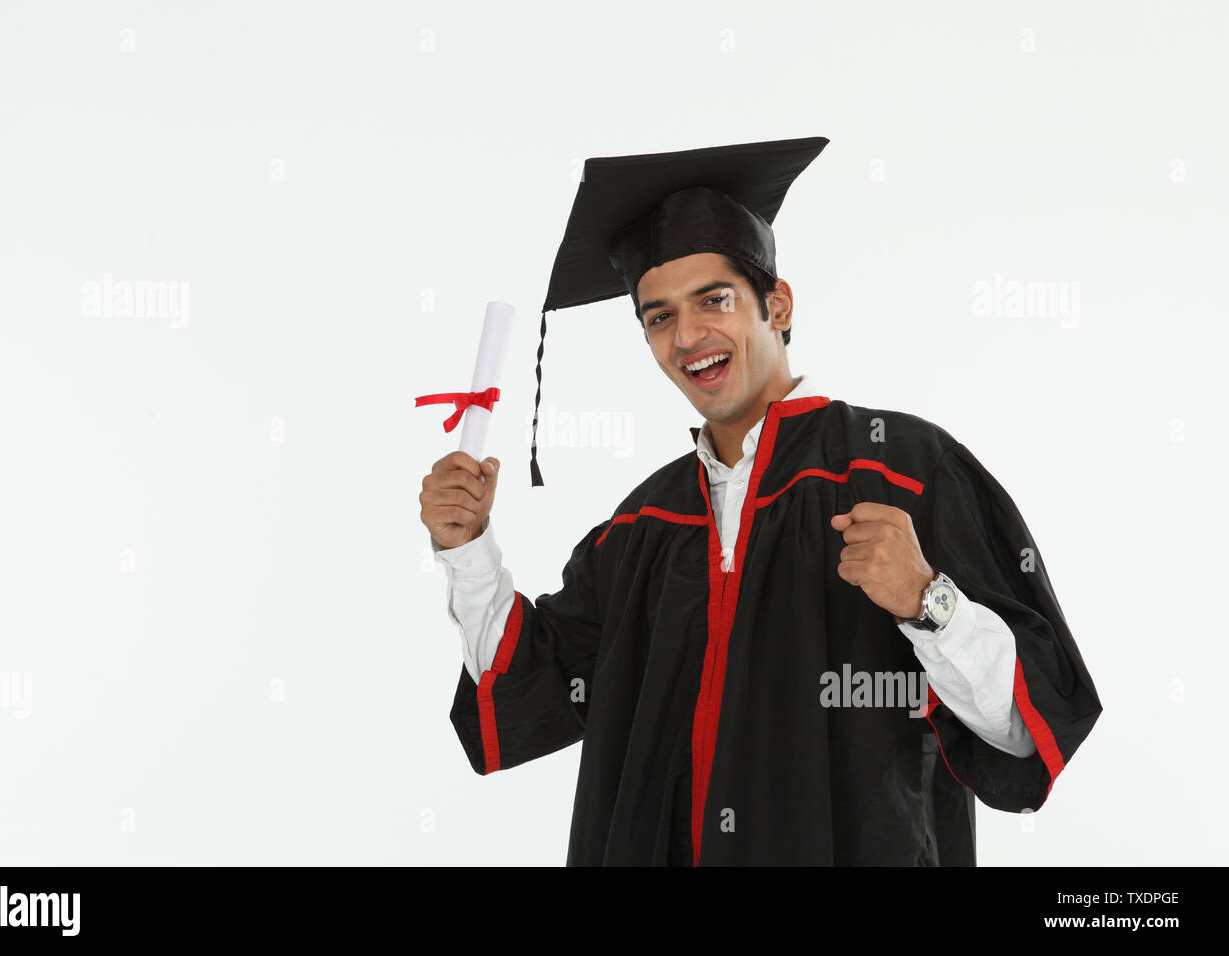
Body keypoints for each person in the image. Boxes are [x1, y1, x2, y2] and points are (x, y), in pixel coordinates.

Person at [417, 137, 1102, 865]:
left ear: (776, 304)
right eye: (658, 316)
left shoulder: (908, 471)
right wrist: (467, 548)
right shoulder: (644, 525)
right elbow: (532, 690)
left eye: (713, 300)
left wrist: (928, 600)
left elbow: (1026, 732)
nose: (687, 336)